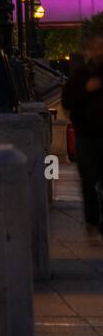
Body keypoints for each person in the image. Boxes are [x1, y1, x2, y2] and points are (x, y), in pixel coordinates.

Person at [62, 34, 103, 232]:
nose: (99, 51)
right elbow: (67, 102)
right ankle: (92, 221)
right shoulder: (81, 75)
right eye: (96, 47)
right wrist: (86, 89)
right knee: (88, 178)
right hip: (86, 134)